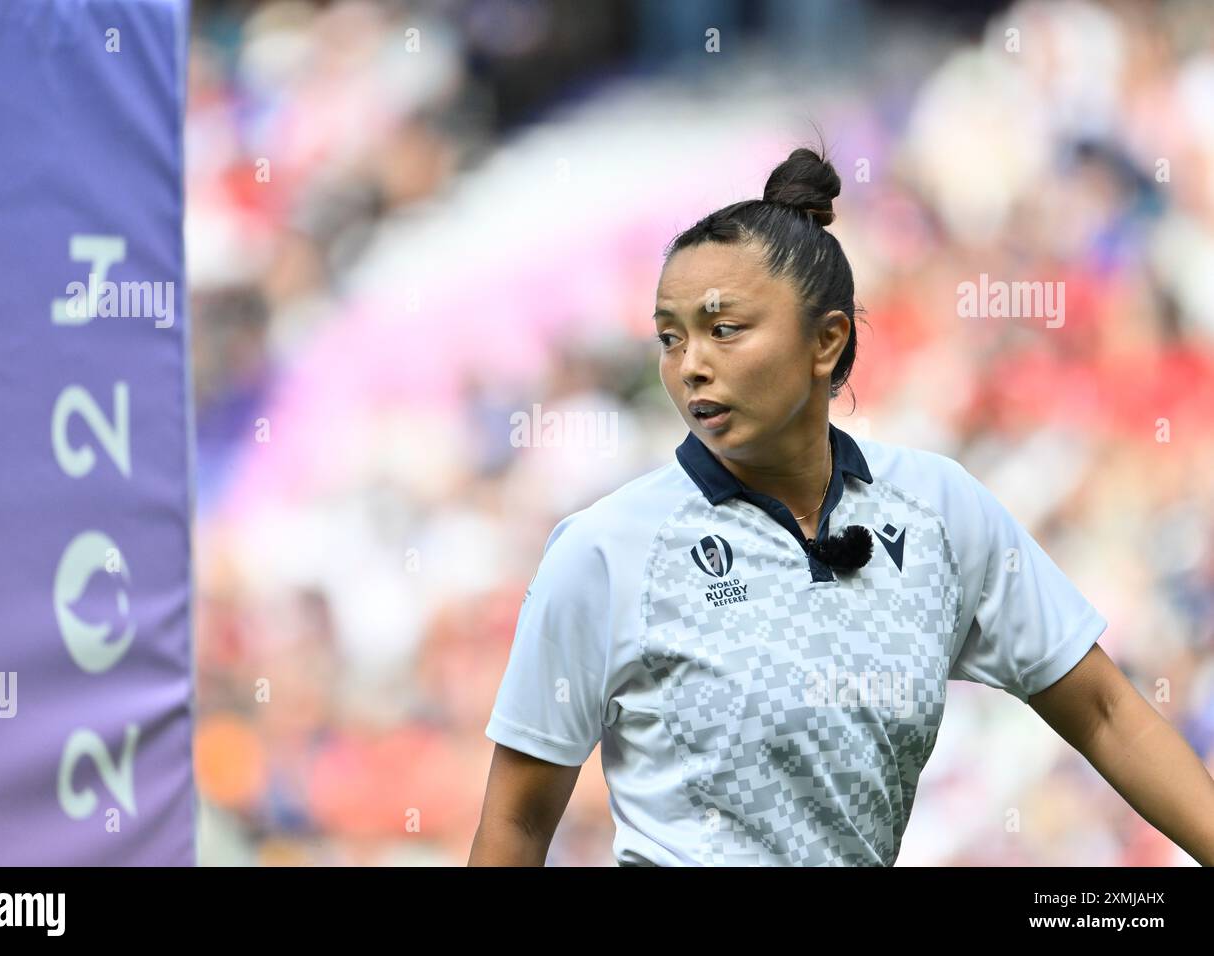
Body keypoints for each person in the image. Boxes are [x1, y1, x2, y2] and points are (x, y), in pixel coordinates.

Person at [468, 146, 1214, 867]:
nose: (690, 364)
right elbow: (517, 818)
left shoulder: (941, 510)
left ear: (827, 340)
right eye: (671, 337)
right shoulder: (603, 551)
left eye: (724, 329)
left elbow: (1106, 714)